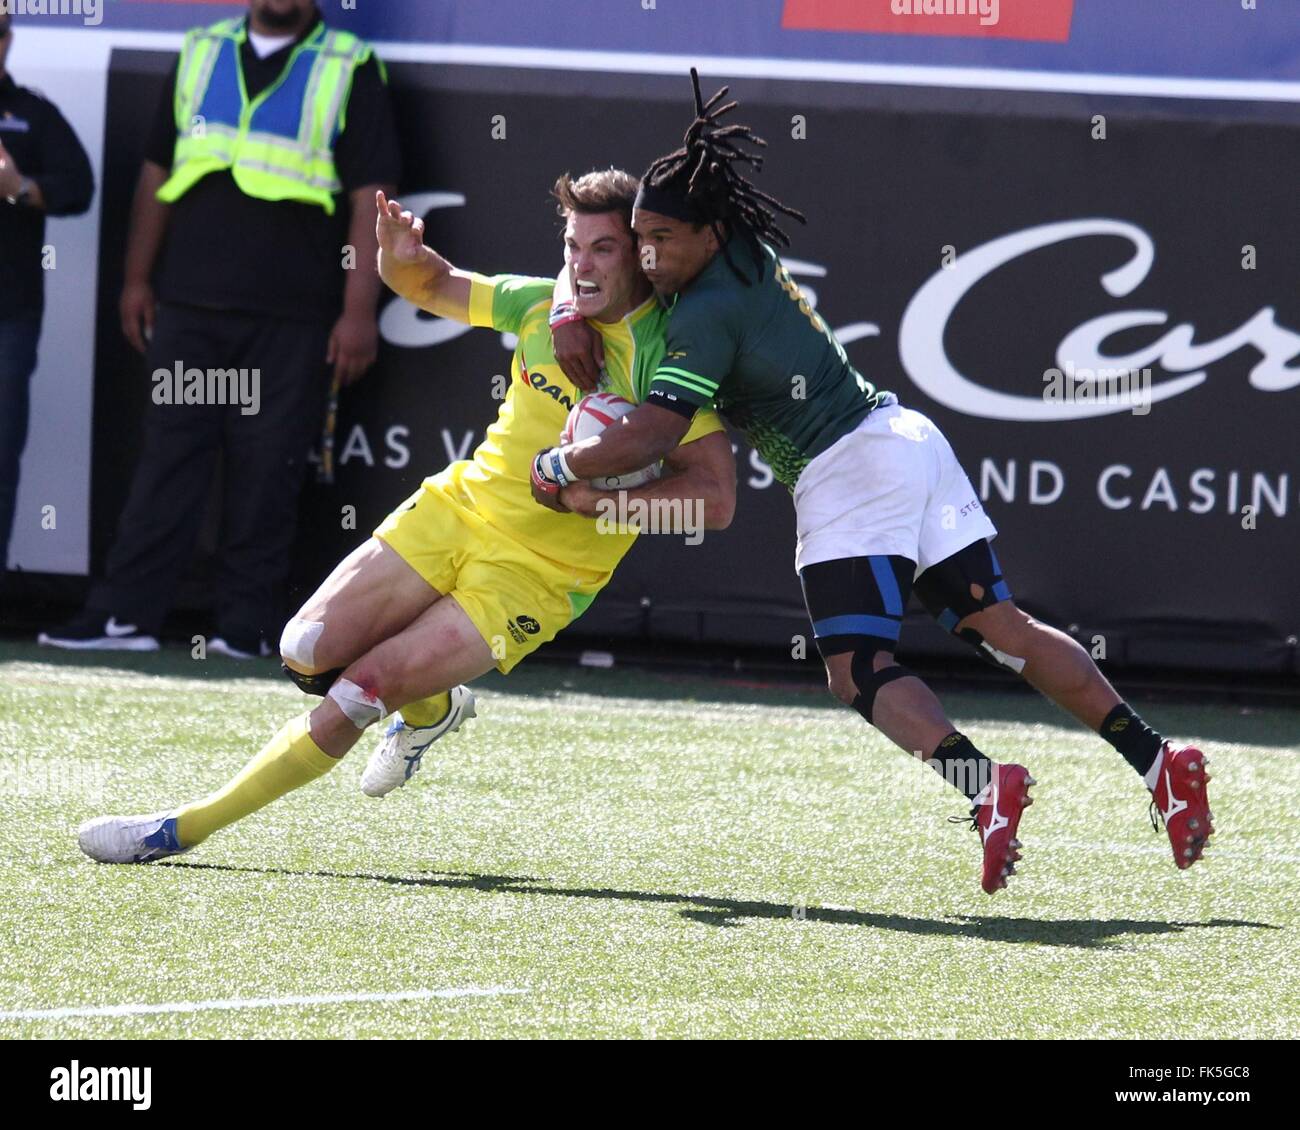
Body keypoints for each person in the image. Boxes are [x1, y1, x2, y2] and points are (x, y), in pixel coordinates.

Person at [536, 73, 1213, 894]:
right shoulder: (741, 248)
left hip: (846, 467)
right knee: (999, 625)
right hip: (905, 439)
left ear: (708, 233)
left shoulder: (703, 313)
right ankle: (1157, 759)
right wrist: (570, 304)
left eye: (660, 240)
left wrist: (561, 466)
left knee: (855, 668)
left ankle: (982, 786)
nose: (647, 256)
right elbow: (628, 285)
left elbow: (656, 433)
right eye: (636, 238)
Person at [76, 169, 737, 864]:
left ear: (640, 252)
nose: (582, 263)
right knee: (305, 648)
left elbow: (714, 504)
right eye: (573, 246)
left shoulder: (673, 355)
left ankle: (179, 829)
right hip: (460, 508)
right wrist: (397, 253)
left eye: (603, 248)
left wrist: (597, 502)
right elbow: (430, 285)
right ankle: (434, 709)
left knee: (362, 691)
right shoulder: (544, 307)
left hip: (538, 574)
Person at [40, 0, 398, 658]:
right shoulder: (201, 50)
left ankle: (246, 628)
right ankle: (127, 617)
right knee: (167, 461)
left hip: (293, 318)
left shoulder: (351, 65)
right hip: (192, 308)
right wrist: (137, 279)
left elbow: (368, 199)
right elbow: (157, 171)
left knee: (269, 472)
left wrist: (357, 310)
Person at [0, 10, 94, 585]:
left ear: (7, 40)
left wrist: (20, 189)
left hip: (9, 315)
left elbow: (78, 187)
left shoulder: (32, 114)